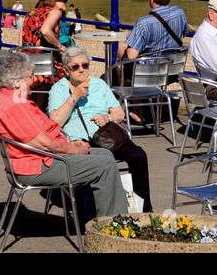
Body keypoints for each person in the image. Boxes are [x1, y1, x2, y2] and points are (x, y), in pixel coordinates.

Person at [0, 51, 128, 219]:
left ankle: (102, 219)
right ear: (17, 81)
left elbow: (46, 138)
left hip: (35, 159)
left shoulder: (7, 98)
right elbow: (47, 145)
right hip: (35, 166)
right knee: (104, 165)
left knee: (106, 155)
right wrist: (76, 149)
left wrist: (71, 144)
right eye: (31, 77)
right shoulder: (16, 106)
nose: (34, 81)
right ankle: (111, 227)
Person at [48, 45, 152, 212]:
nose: (81, 70)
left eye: (85, 65)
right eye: (75, 67)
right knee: (101, 163)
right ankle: (94, 212)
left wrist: (108, 118)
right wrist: (74, 97)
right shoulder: (58, 89)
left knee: (139, 156)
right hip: (79, 139)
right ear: (67, 70)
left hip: (106, 136)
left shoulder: (99, 84)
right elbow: (55, 121)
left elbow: (119, 112)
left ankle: (144, 208)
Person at [21, 0, 73, 90]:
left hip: (27, 66)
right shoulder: (55, 12)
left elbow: (20, 42)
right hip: (47, 69)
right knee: (75, 68)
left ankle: (39, 104)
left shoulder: (30, 13)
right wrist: (60, 46)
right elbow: (45, 31)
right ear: (53, 0)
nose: (65, 2)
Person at [123, 0, 188, 60]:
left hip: (149, 70)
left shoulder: (143, 23)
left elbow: (131, 56)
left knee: (120, 52)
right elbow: (184, 34)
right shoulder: (179, 12)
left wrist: (134, 38)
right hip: (172, 66)